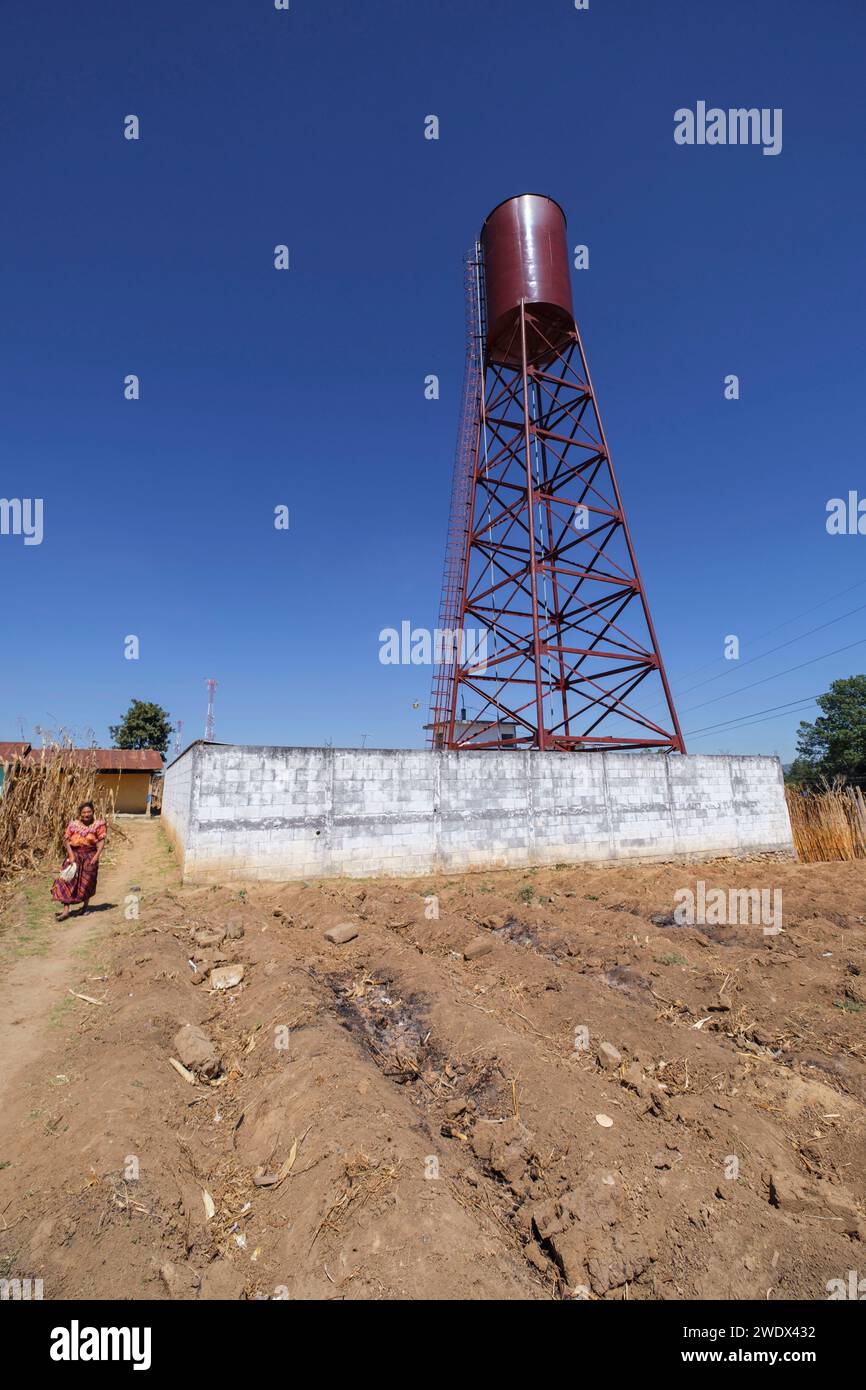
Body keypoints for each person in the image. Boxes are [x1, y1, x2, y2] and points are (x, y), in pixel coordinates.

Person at [51, 801, 107, 920]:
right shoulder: (73, 824)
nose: (86, 814)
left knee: (87, 882)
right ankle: (66, 911)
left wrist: (96, 856)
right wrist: (71, 855)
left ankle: (85, 907)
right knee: (67, 880)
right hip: (74, 856)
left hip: (90, 856)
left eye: (89, 812)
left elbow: (101, 842)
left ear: (93, 812)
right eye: (84, 812)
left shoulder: (98, 825)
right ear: (80, 814)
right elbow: (66, 840)